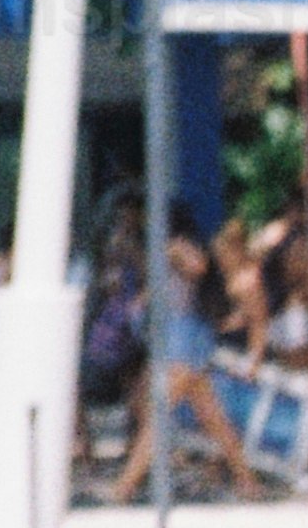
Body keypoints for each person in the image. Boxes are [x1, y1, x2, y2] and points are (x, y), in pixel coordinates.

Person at [103, 204, 261, 503]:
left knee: (160, 412)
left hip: (183, 335)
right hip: (184, 334)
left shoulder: (176, 245)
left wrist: (170, 254)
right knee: (211, 416)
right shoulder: (168, 246)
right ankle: (247, 480)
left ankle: (124, 486)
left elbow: (198, 266)